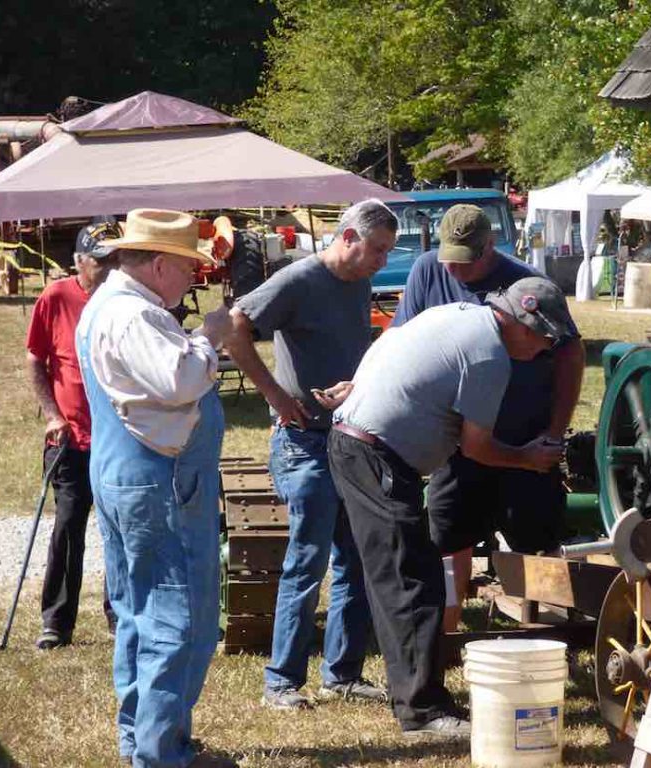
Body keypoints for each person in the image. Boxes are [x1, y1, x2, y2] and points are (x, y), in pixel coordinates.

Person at [329, 276, 574, 739]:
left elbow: (389, 342)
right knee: (412, 582)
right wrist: (527, 458)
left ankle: (412, 695)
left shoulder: (456, 315)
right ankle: (422, 713)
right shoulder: (489, 356)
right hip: (374, 455)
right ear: (522, 323)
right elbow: (477, 447)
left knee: (406, 576)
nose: (545, 349)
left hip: (360, 445)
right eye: (545, 339)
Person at [76, 209, 234, 768]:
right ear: (161, 264)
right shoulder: (134, 314)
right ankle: (163, 753)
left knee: (137, 612)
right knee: (177, 618)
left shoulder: (110, 306)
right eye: (188, 267)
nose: (194, 278)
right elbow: (179, 380)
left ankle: (143, 739)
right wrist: (209, 337)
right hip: (160, 481)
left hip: (128, 474)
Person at [226, 199, 398, 710]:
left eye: (387, 252)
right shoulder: (297, 280)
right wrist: (277, 397)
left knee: (355, 559)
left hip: (349, 438)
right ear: (347, 237)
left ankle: (341, 675)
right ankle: (281, 682)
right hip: (303, 444)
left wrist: (355, 385)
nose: (382, 262)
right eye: (377, 250)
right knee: (307, 561)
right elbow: (234, 326)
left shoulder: (358, 283)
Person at [391, 205, 585, 629]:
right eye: (449, 259)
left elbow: (570, 353)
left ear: (489, 247)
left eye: (465, 261)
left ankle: (543, 633)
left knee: (536, 541)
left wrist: (553, 433)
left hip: (523, 436)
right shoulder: (427, 271)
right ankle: (445, 634)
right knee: (447, 540)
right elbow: (400, 339)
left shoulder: (529, 284)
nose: (454, 270)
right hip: (454, 442)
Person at [26, 219, 120, 650]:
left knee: (120, 529)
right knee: (68, 528)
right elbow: (35, 359)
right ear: (79, 261)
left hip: (117, 439)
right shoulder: (56, 296)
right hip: (71, 438)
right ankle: (57, 622)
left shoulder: (127, 301)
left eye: (116, 260)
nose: (110, 268)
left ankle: (120, 614)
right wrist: (52, 415)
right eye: (102, 261)